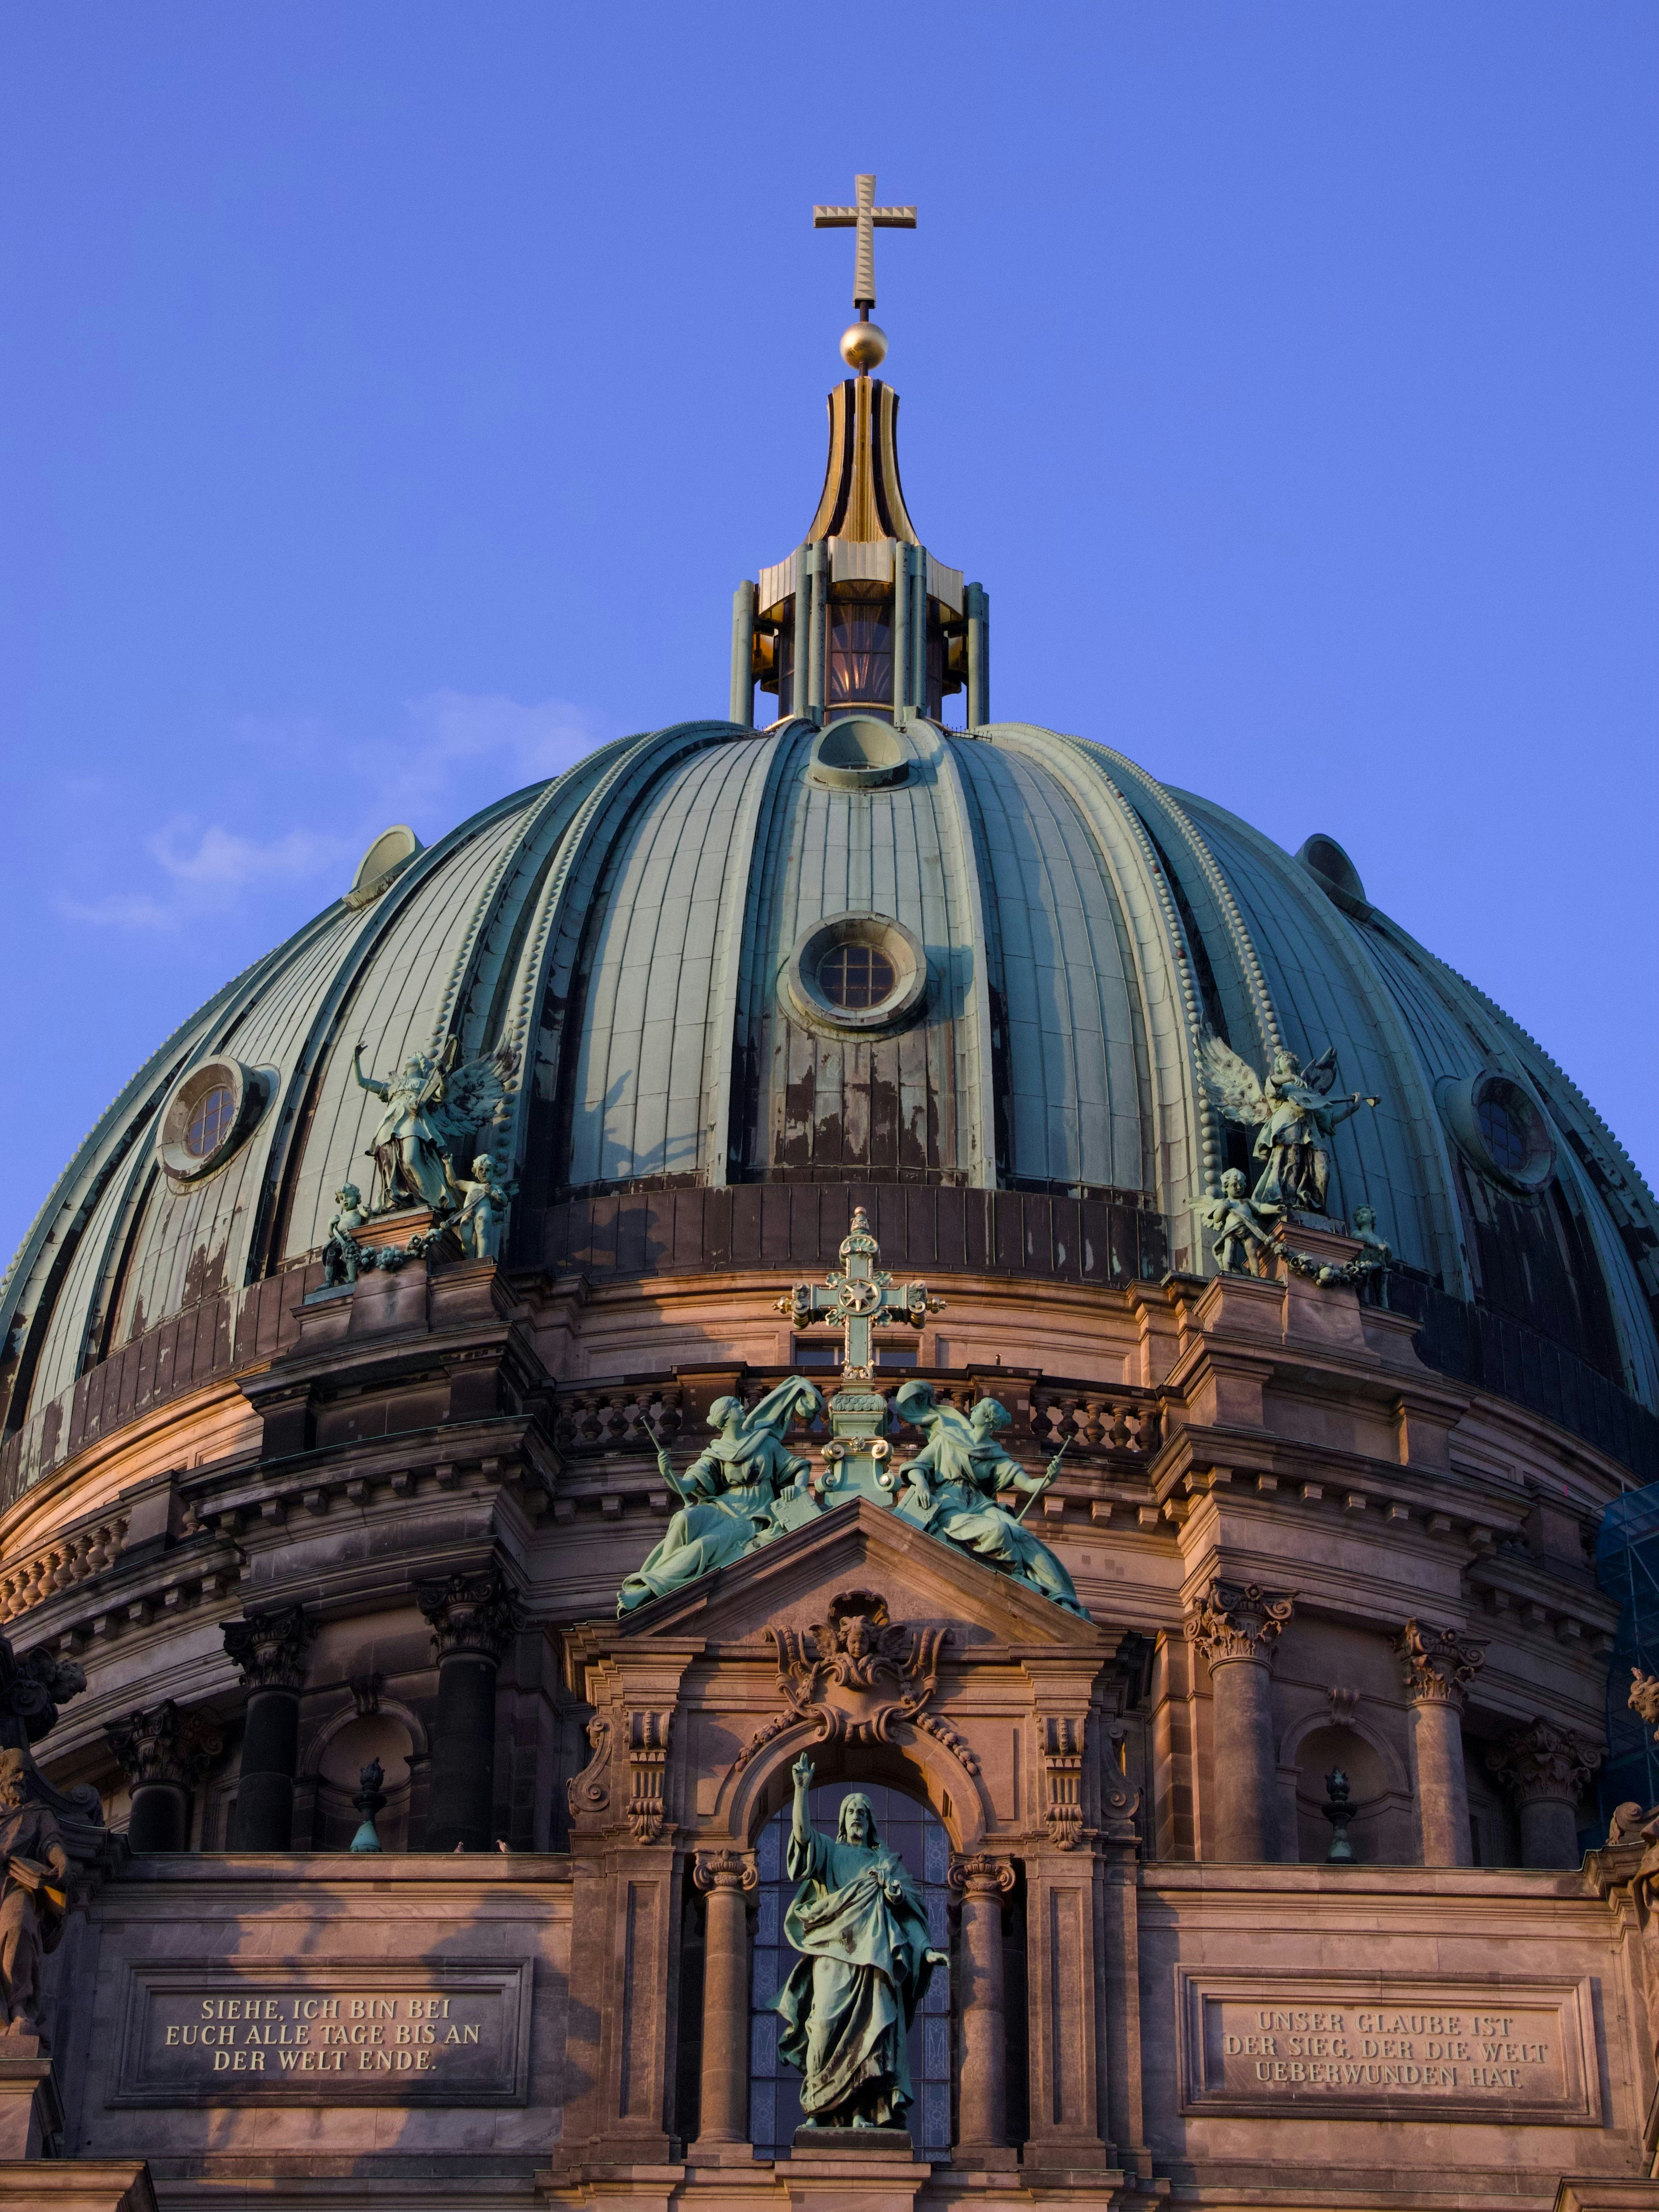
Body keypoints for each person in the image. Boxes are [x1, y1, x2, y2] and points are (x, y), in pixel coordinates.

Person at [773, 1757, 946, 2130]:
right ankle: (819, 2109)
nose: (856, 1816)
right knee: (823, 2025)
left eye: (862, 1812)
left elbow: (909, 1915)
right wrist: (801, 1790)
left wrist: (925, 1949)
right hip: (833, 1952)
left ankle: (861, 2112)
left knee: (872, 2034)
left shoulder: (886, 1863)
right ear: (842, 1820)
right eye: (850, 1810)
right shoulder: (831, 1853)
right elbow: (802, 1842)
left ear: (870, 1823)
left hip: (875, 1961)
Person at [617, 1378, 822, 1614]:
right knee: (684, 1519)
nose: (742, 1408)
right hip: (724, 1507)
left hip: (752, 1516)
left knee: (706, 1544)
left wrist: (796, 1489)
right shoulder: (715, 1452)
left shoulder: (764, 1442)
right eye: (736, 1406)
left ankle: (647, 1591)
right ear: (725, 1419)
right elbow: (686, 1486)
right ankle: (667, 1578)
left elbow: (798, 1467)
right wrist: (667, 1473)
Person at [891, 1384, 1088, 1618]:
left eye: (978, 1409)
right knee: (999, 1531)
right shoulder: (948, 1439)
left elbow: (1030, 1485)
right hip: (950, 1505)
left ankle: (1063, 1599)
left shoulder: (996, 1455)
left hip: (980, 1505)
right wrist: (923, 1484)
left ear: (987, 1419)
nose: (971, 1410)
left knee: (1023, 1534)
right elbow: (917, 1467)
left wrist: (1048, 1478)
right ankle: (1014, 1576)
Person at [0, 1749, 69, 2044]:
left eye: (25, 1774)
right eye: (16, 1772)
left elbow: (51, 1842)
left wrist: (61, 1860)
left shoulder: (38, 1813)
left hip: (19, 1882)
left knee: (20, 1927)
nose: (21, 1779)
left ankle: (18, 2005)